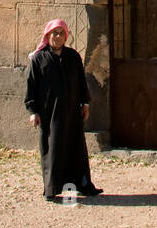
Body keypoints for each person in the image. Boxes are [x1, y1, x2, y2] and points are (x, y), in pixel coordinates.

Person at [24, 19, 103, 202]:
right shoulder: (38, 59)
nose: (57, 37)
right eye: (54, 33)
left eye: (61, 33)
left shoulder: (73, 57)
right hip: (49, 114)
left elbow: (82, 84)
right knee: (53, 149)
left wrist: (85, 104)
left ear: (66, 36)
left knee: (75, 149)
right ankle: (51, 188)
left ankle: (82, 184)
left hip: (72, 113)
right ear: (47, 35)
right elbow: (31, 87)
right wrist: (33, 111)